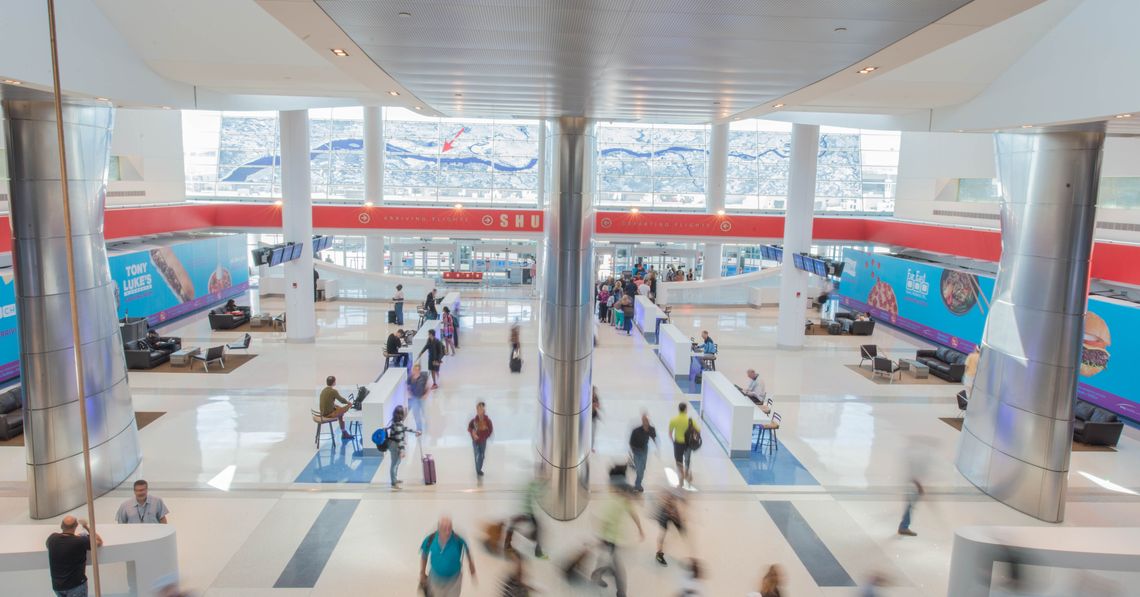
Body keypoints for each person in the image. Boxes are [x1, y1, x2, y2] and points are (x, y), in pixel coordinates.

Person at [590, 482, 644, 597]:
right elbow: (603, 522)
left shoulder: (625, 501)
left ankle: (597, 574)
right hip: (608, 539)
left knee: (606, 560)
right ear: (624, 494)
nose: (631, 500)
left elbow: (633, 514)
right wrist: (601, 539)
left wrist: (640, 530)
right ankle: (621, 592)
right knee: (618, 567)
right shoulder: (612, 503)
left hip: (616, 538)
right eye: (630, 497)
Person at [420, 516, 477, 597]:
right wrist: (422, 573)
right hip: (435, 580)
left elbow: (468, 552)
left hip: (454, 581)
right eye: (444, 529)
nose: (447, 532)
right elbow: (424, 555)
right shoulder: (430, 539)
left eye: (449, 528)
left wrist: (472, 569)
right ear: (439, 528)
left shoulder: (458, 539)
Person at [46, 515, 102, 597]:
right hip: (75, 585)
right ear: (76, 526)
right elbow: (99, 541)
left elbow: (49, 545)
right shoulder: (80, 541)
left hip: (58, 586)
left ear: (61, 526)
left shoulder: (52, 538)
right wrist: (86, 527)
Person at [504, 475, 547, 559]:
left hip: (522, 511)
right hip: (527, 512)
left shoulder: (529, 484)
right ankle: (538, 551)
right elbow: (538, 496)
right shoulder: (534, 485)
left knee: (512, 525)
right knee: (537, 528)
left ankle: (507, 545)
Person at [386, 405, 420, 489]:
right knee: (394, 464)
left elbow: (404, 428)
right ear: (401, 414)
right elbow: (399, 440)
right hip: (395, 446)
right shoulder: (397, 426)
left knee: (397, 463)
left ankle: (395, 479)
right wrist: (402, 450)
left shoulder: (396, 423)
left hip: (393, 444)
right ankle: (394, 483)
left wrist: (415, 431)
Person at [668, 403, 699, 488]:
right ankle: (687, 473)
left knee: (679, 461)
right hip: (688, 444)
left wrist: (673, 441)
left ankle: (681, 478)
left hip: (678, 443)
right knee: (687, 459)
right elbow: (698, 430)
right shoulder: (690, 420)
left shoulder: (674, 420)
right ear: (685, 409)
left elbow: (670, 433)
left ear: (679, 409)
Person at [654, 488, 687, 566]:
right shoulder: (665, 507)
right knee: (663, 532)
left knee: (680, 526)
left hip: (671, 509)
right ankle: (659, 554)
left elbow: (678, 504)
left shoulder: (674, 498)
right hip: (665, 514)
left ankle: (679, 527)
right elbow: (661, 496)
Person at [319, 376, 355, 440]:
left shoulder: (323, 390)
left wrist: (334, 405)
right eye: (335, 381)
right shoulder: (333, 391)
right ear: (333, 382)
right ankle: (344, 433)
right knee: (344, 409)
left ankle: (344, 432)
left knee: (340, 410)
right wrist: (348, 403)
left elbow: (326, 401)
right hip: (328, 414)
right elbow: (341, 400)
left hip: (323, 413)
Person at [628, 412, 657, 492]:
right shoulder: (636, 431)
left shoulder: (651, 429)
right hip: (636, 450)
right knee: (639, 469)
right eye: (644, 420)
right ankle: (638, 484)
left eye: (647, 420)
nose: (646, 422)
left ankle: (638, 484)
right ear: (642, 421)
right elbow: (631, 442)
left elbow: (654, 437)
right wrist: (631, 451)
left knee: (642, 468)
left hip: (644, 449)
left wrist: (657, 447)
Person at [467, 401, 494, 477]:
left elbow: (490, 430)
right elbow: (470, 428)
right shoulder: (474, 421)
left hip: (483, 441)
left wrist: (485, 436)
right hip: (475, 441)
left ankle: (479, 469)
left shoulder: (487, 421)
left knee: (482, 455)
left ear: (484, 410)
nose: (479, 410)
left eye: (481, 409)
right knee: (477, 454)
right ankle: (478, 470)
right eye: (478, 409)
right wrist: (473, 434)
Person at [407, 364, 429, 432]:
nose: (416, 371)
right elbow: (408, 387)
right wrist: (409, 394)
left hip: (422, 398)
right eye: (415, 369)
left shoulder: (423, 377)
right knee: (416, 414)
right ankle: (419, 428)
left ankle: (427, 425)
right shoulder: (410, 378)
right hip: (414, 399)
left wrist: (426, 395)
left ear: (419, 370)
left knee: (424, 412)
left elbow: (428, 386)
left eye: (417, 370)